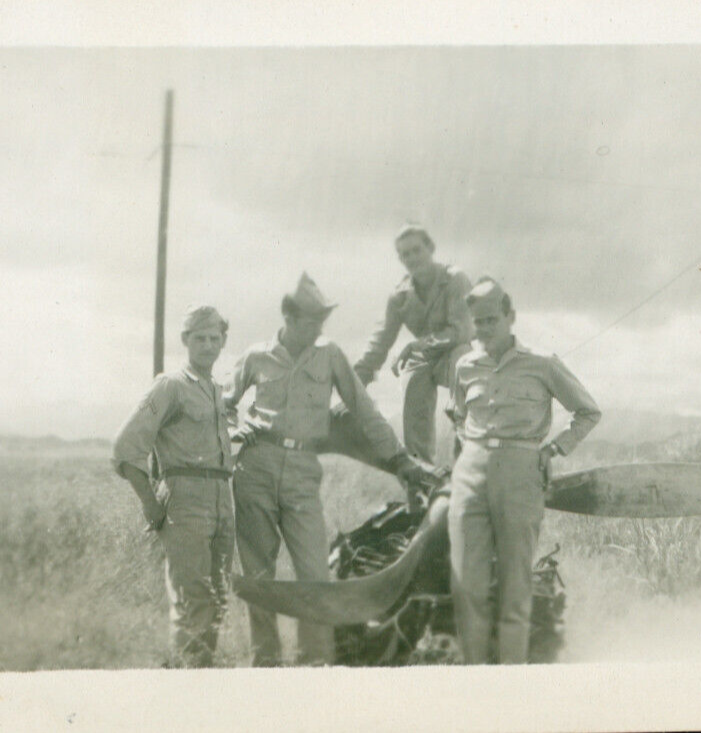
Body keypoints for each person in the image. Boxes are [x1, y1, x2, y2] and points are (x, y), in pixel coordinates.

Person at [226, 272, 426, 667]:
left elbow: (364, 409)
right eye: (310, 319)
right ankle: (264, 663)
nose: (318, 327)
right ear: (287, 314)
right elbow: (223, 403)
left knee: (314, 571)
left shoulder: (330, 353)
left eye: (322, 320)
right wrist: (235, 428)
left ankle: (314, 663)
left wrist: (400, 458)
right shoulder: (255, 356)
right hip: (255, 469)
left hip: (302, 470)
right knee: (259, 574)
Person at [448, 278, 601, 664]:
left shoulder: (541, 363)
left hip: (521, 472)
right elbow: (458, 416)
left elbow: (588, 412)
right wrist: (465, 454)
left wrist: (553, 450)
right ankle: (473, 684)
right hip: (471, 472)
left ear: (510, 317)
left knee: (515, 588)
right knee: (468, 585)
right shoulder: (465, 364)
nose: (483, 330)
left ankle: (510, 686)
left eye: (491, 321)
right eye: (477, 322)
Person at [112, 305, 236, 668]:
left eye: (215, 339)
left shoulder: (216, 389)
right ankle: (184, 685)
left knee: (217, 597)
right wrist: (150, 503)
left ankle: (202, 675)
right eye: (200, 338)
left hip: (222, 499)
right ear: (185, 341)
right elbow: (125, 447)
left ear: (223, 342)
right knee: (192, 599)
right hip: (186, 501)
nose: (208, 346)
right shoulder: (170, 385)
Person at [353, 225, 473, 463]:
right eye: (405, 254)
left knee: (464, 360)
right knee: (411, 374)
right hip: (426, 358)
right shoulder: (399, 295)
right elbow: (380, 341)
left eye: (417, 250)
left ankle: (468, 456)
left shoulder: (454, 279)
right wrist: (354, 383)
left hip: (459, 353)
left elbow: (462, 331)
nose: (412, 258)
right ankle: (422, 472)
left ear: (430, 248)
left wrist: (419, 344)